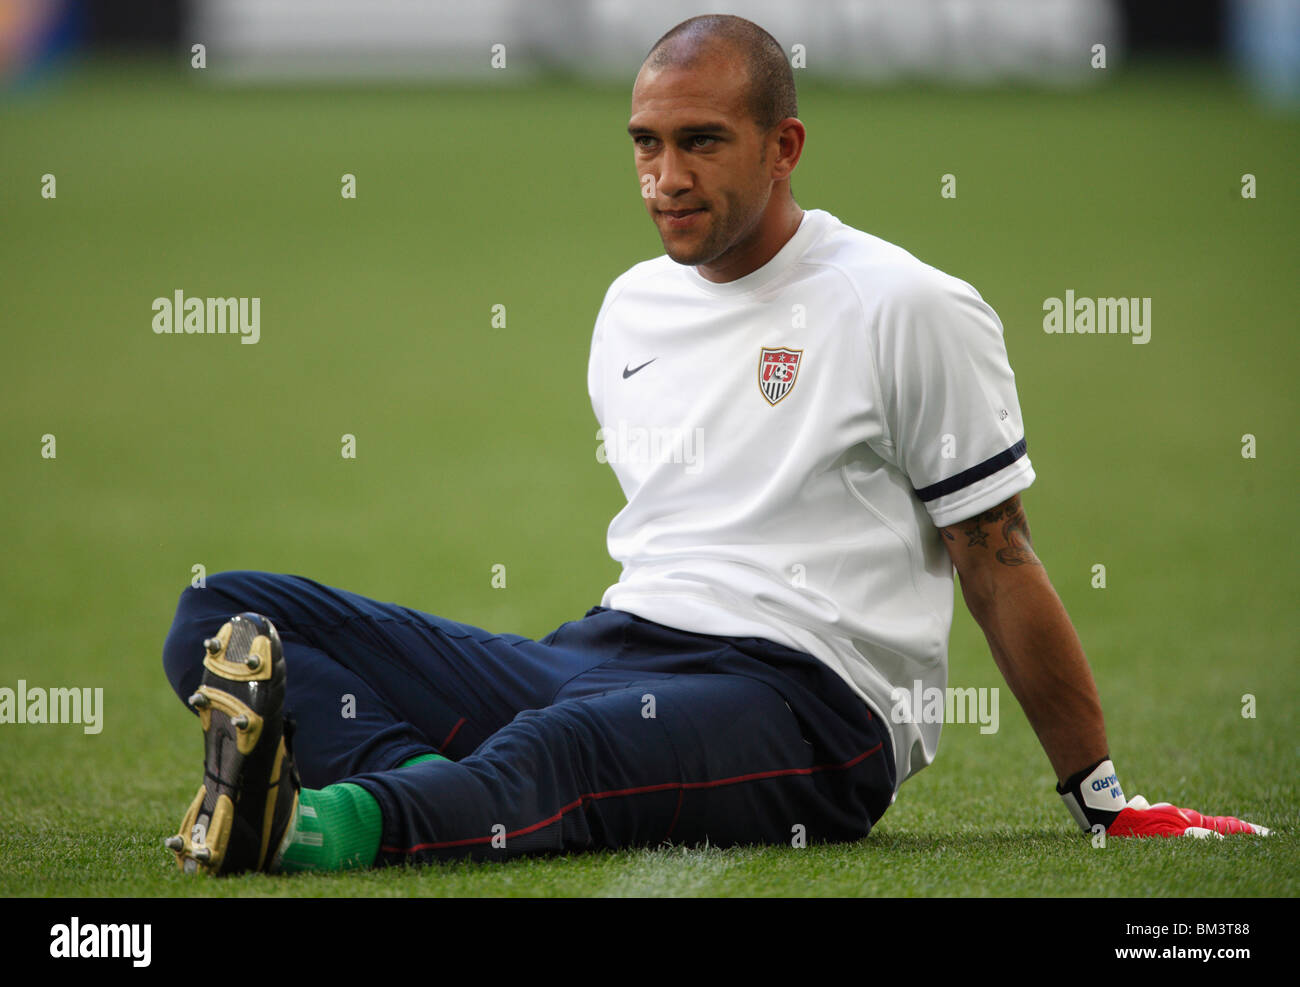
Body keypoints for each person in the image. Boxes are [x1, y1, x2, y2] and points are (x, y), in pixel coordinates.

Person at [162, 14, 1268, 876]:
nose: (665, 176)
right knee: (224, 617)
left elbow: (997, 552)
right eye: (645, 143)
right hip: (607, 653)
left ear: (783, 147)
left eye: (700, 142)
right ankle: (431, 789)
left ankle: (311, 832)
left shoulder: (906, 305)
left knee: (559, 756)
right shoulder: (631, 305)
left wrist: (1099, 793)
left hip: (808, 706)